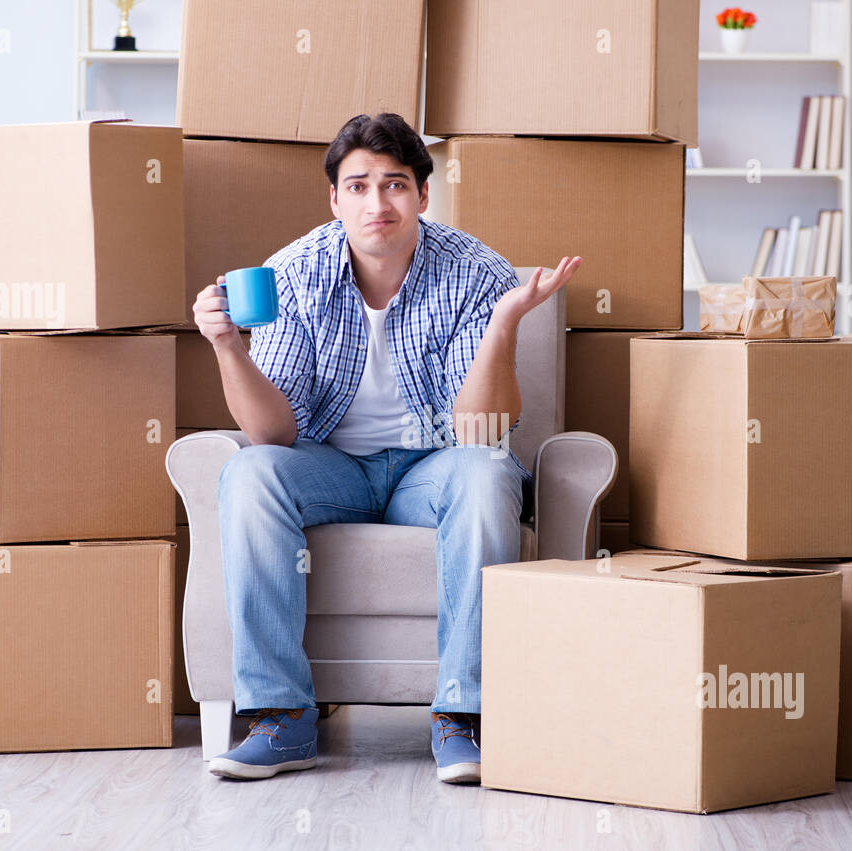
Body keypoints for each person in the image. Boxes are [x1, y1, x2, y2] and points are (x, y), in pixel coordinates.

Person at [190, 112, 581, 785]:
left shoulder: (475, 272)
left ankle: (462, 718)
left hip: (431, 468)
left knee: (487, 471)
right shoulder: (294, 273)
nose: (378, 203)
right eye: (359, 186)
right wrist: (228, 347)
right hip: (331, 469)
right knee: (250, 471)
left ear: (423, 195)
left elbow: (479, 431)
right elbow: (274, 436)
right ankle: (281, 719)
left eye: (395, 185)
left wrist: (503, 324)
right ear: (334, 200)